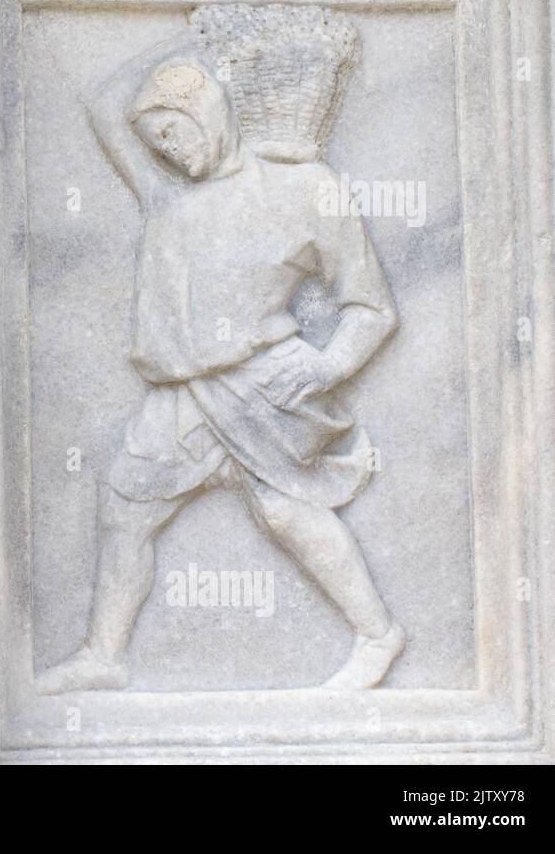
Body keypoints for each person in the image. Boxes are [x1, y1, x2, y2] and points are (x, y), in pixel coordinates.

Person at [36, 53, 403, 693]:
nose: (169, 152)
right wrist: (201, 40)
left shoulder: (303, 188)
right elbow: (103, 104)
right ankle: (104, 655)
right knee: (126, 510)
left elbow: (371, 308)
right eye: (157, 144)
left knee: (289, 513)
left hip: (260, 390)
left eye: (175, 131)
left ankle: (378, 634)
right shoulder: (164, 197)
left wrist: (328, 363)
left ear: (208, 108)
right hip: (178, 395)